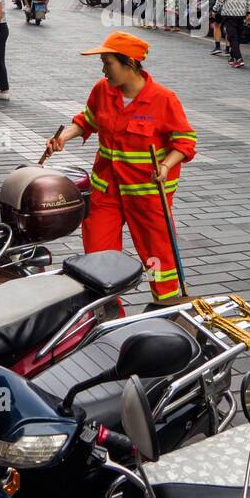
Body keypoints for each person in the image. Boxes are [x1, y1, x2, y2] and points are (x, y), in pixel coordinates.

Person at [42, 30, 196, 304]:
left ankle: (167, 307)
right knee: (98, 256)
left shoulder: (163, 99)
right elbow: (87, 119)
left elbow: (184, 142)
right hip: (107, 191)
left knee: (157, 258)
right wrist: (62, 137)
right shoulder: (103, 90)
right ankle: (108, 312)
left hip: (148, 194)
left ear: (130, 64)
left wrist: (165, 165)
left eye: (108, 62)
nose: (103, 69)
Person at [213, 0, 250, 68]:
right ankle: (232, 56)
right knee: (237, 37)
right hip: (241, 14)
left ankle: (238, 58)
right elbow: (248, 0)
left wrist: (215, 10)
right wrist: (248, 13)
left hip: (229, 14)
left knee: (232, 36)